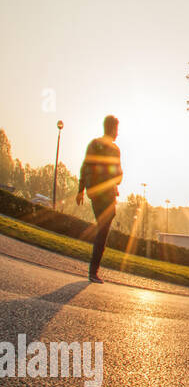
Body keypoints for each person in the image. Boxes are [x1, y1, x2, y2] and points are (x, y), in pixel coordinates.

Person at [75, 115, 122, 283]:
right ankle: (93, 272)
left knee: (103, 229)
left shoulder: (95, 145)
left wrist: (81, 190)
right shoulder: (110, 149)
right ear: (111, 129)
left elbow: (85, 166)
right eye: (116, 129)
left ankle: (93, 271)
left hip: (98, 193)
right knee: (103, 231)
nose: (117, 133)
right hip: (103, 194)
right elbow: (118, 174)